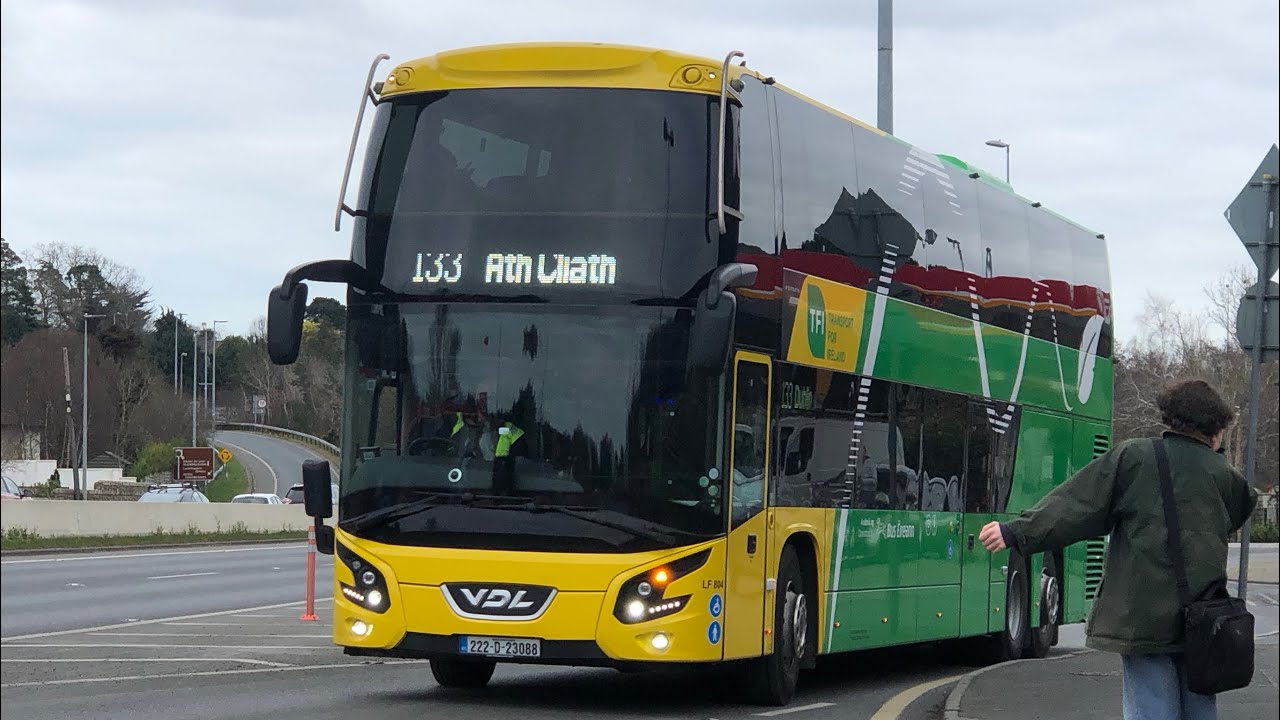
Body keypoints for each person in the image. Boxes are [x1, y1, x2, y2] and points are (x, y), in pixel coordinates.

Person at [978, 379, 1256, 720]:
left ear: (1170, 418)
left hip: (1141, 616)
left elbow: (1076, 507)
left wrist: (1016, 532)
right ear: (1216, 428)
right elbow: (1240, 508)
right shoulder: (1224, 475)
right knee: (1200, 706)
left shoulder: (1134, 458)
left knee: (1150, 708)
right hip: (1205, 617)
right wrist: (1214, 456)